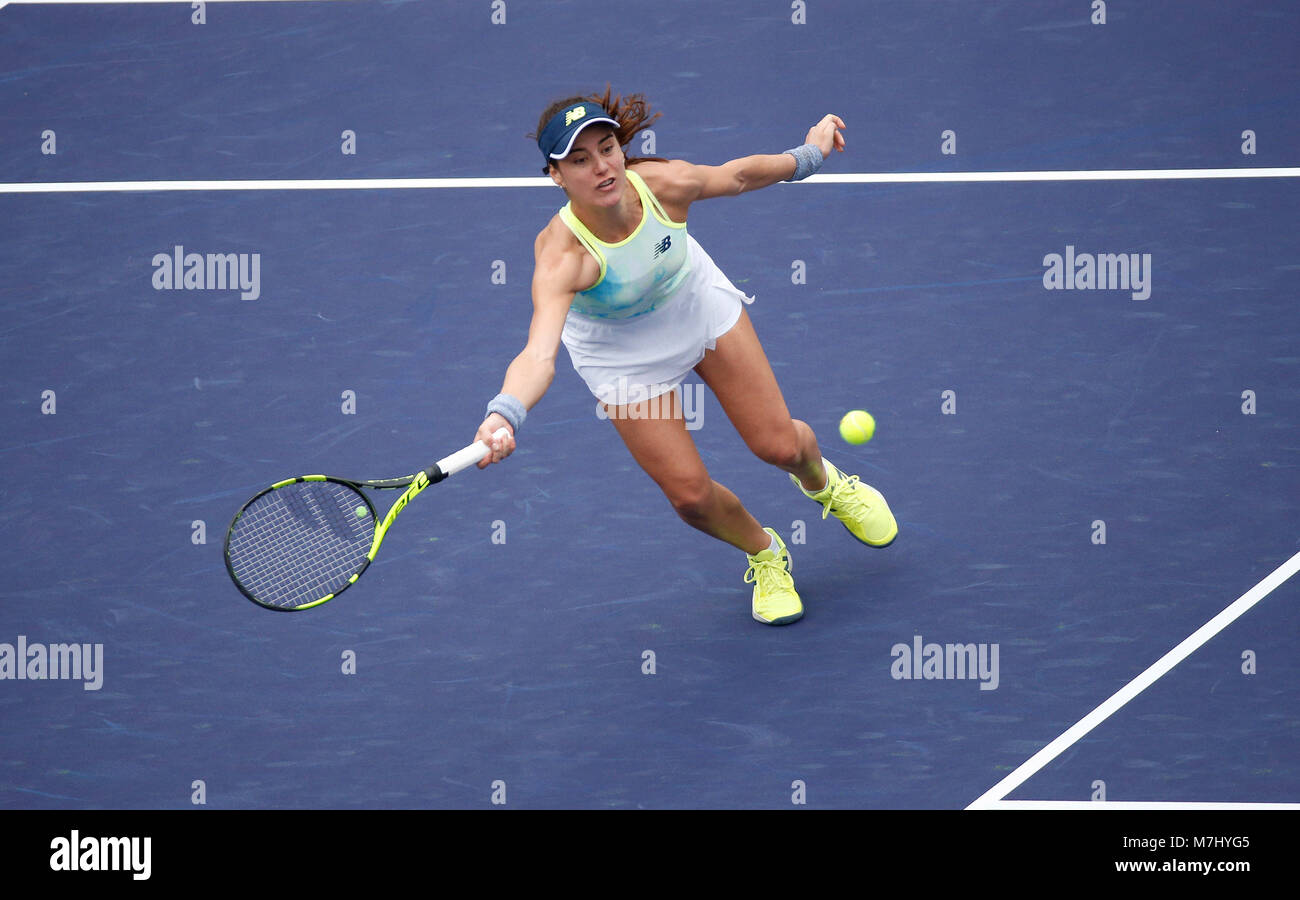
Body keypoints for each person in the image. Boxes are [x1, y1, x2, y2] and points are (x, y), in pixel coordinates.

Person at [473, 88, 897, 625]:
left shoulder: (662, 185)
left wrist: (806, 157)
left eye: (607, 148)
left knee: (779, 445)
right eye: (579, 160)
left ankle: (827, 485)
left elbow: (738, 175)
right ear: (556, 176)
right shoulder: (562, 256)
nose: (601, 167)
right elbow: (538, 353)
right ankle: (766, 553)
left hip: (692, 303)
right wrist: (504, 412)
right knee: (690, 497)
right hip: (622, 354)